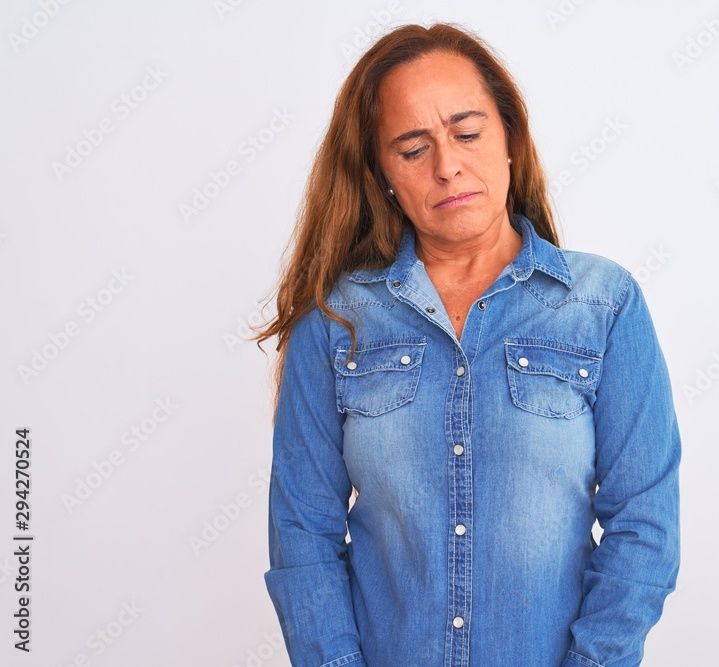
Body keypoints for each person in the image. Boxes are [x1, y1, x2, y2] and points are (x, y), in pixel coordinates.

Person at [253, 22, 681, 667]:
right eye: (412, 149)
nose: (447, 166)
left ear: (510, 139)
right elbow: (302, 532)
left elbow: (644, 524)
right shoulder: (336, 320)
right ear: (382, 173)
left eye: (468, 133)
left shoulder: (603, 304)